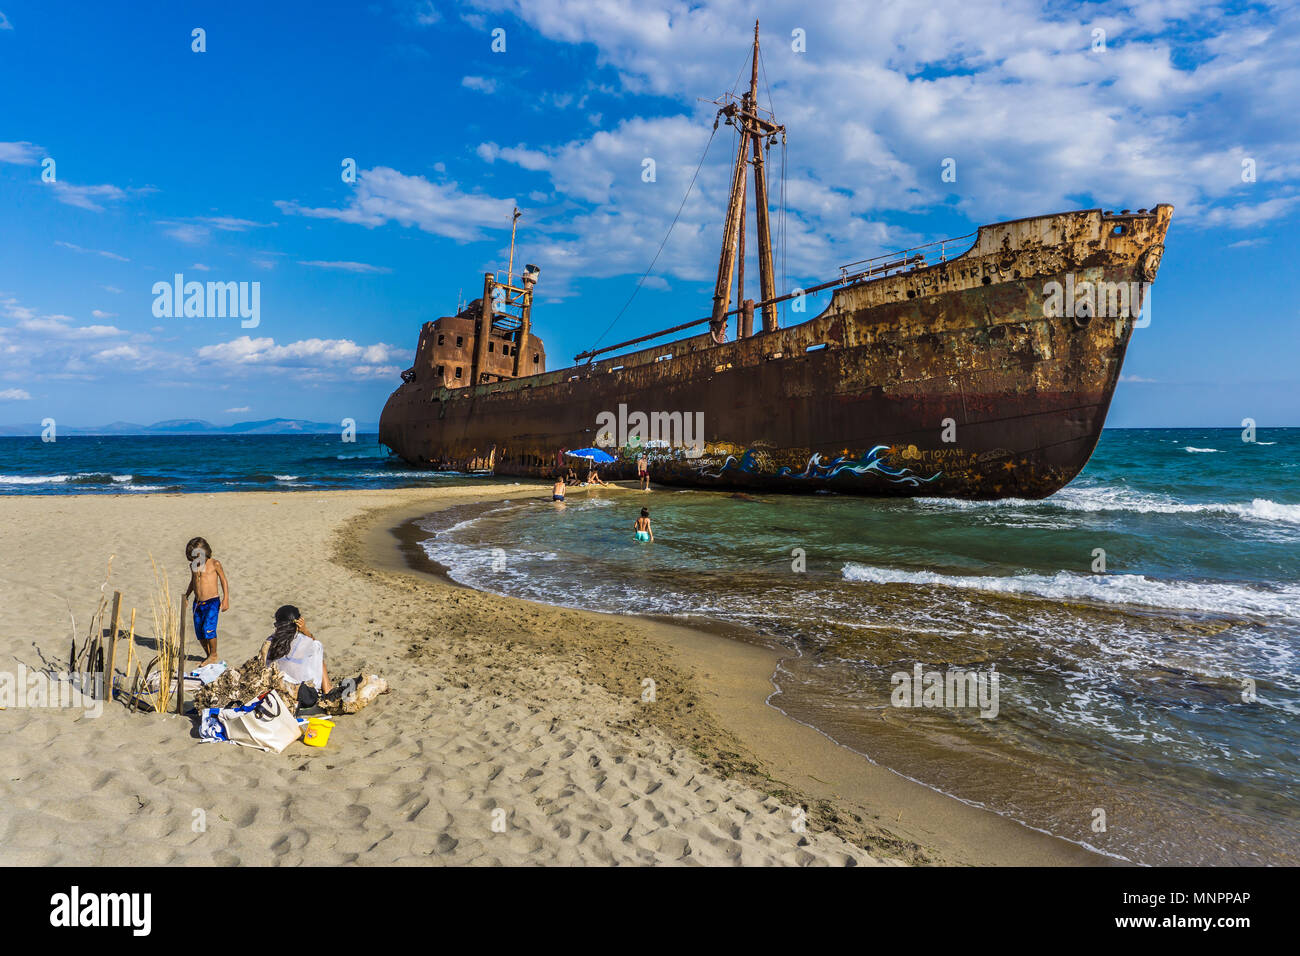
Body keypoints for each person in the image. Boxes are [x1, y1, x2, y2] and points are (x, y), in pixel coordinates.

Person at [260, 604, 332, 708]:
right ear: (299, 623)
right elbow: (315, 646)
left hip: (274, 691)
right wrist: (305, 630)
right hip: (304, 696)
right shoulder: (305, 642)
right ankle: (327, 689)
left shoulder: (270, 641)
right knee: (318, 654)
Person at [183, 536, 229, 667]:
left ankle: (213, 654)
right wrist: (186, 595)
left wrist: (226, 599)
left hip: (212, 602)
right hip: (198, 603)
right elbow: (193, 582)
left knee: (208, 629)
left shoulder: (215, 564)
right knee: (199, 631)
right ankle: (209, 655)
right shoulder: (193, 566)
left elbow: (223, 581)